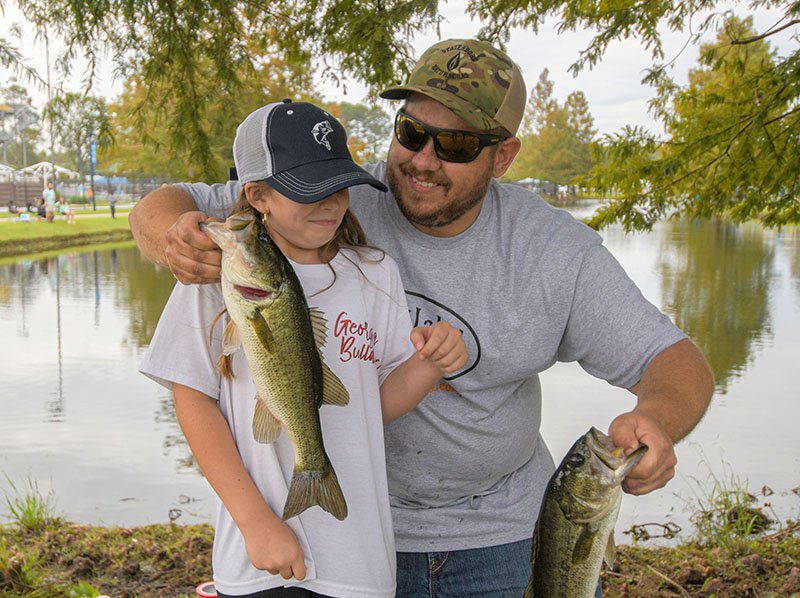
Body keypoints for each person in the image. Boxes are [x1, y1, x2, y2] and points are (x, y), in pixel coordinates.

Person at [130, 39, 714, 597]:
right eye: (411, 132)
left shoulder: (553, 252)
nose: (422, 160)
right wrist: (172, 241)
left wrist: (657, 420)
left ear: (503, 157)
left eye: (456, 145)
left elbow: (674, 362)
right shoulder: (328, 201)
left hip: (504, 537)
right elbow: (170, 205)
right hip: (347, 539)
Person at [139, 100, 468, 598]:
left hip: (359, 561)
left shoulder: (375, 273)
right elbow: (193, 402)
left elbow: (369, 409)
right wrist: (254, 522)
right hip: (257, 559)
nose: (330, 203)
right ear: (258, 195)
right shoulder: (213, 277)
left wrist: (429, 362)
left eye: (339, 187)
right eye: (309, 190)